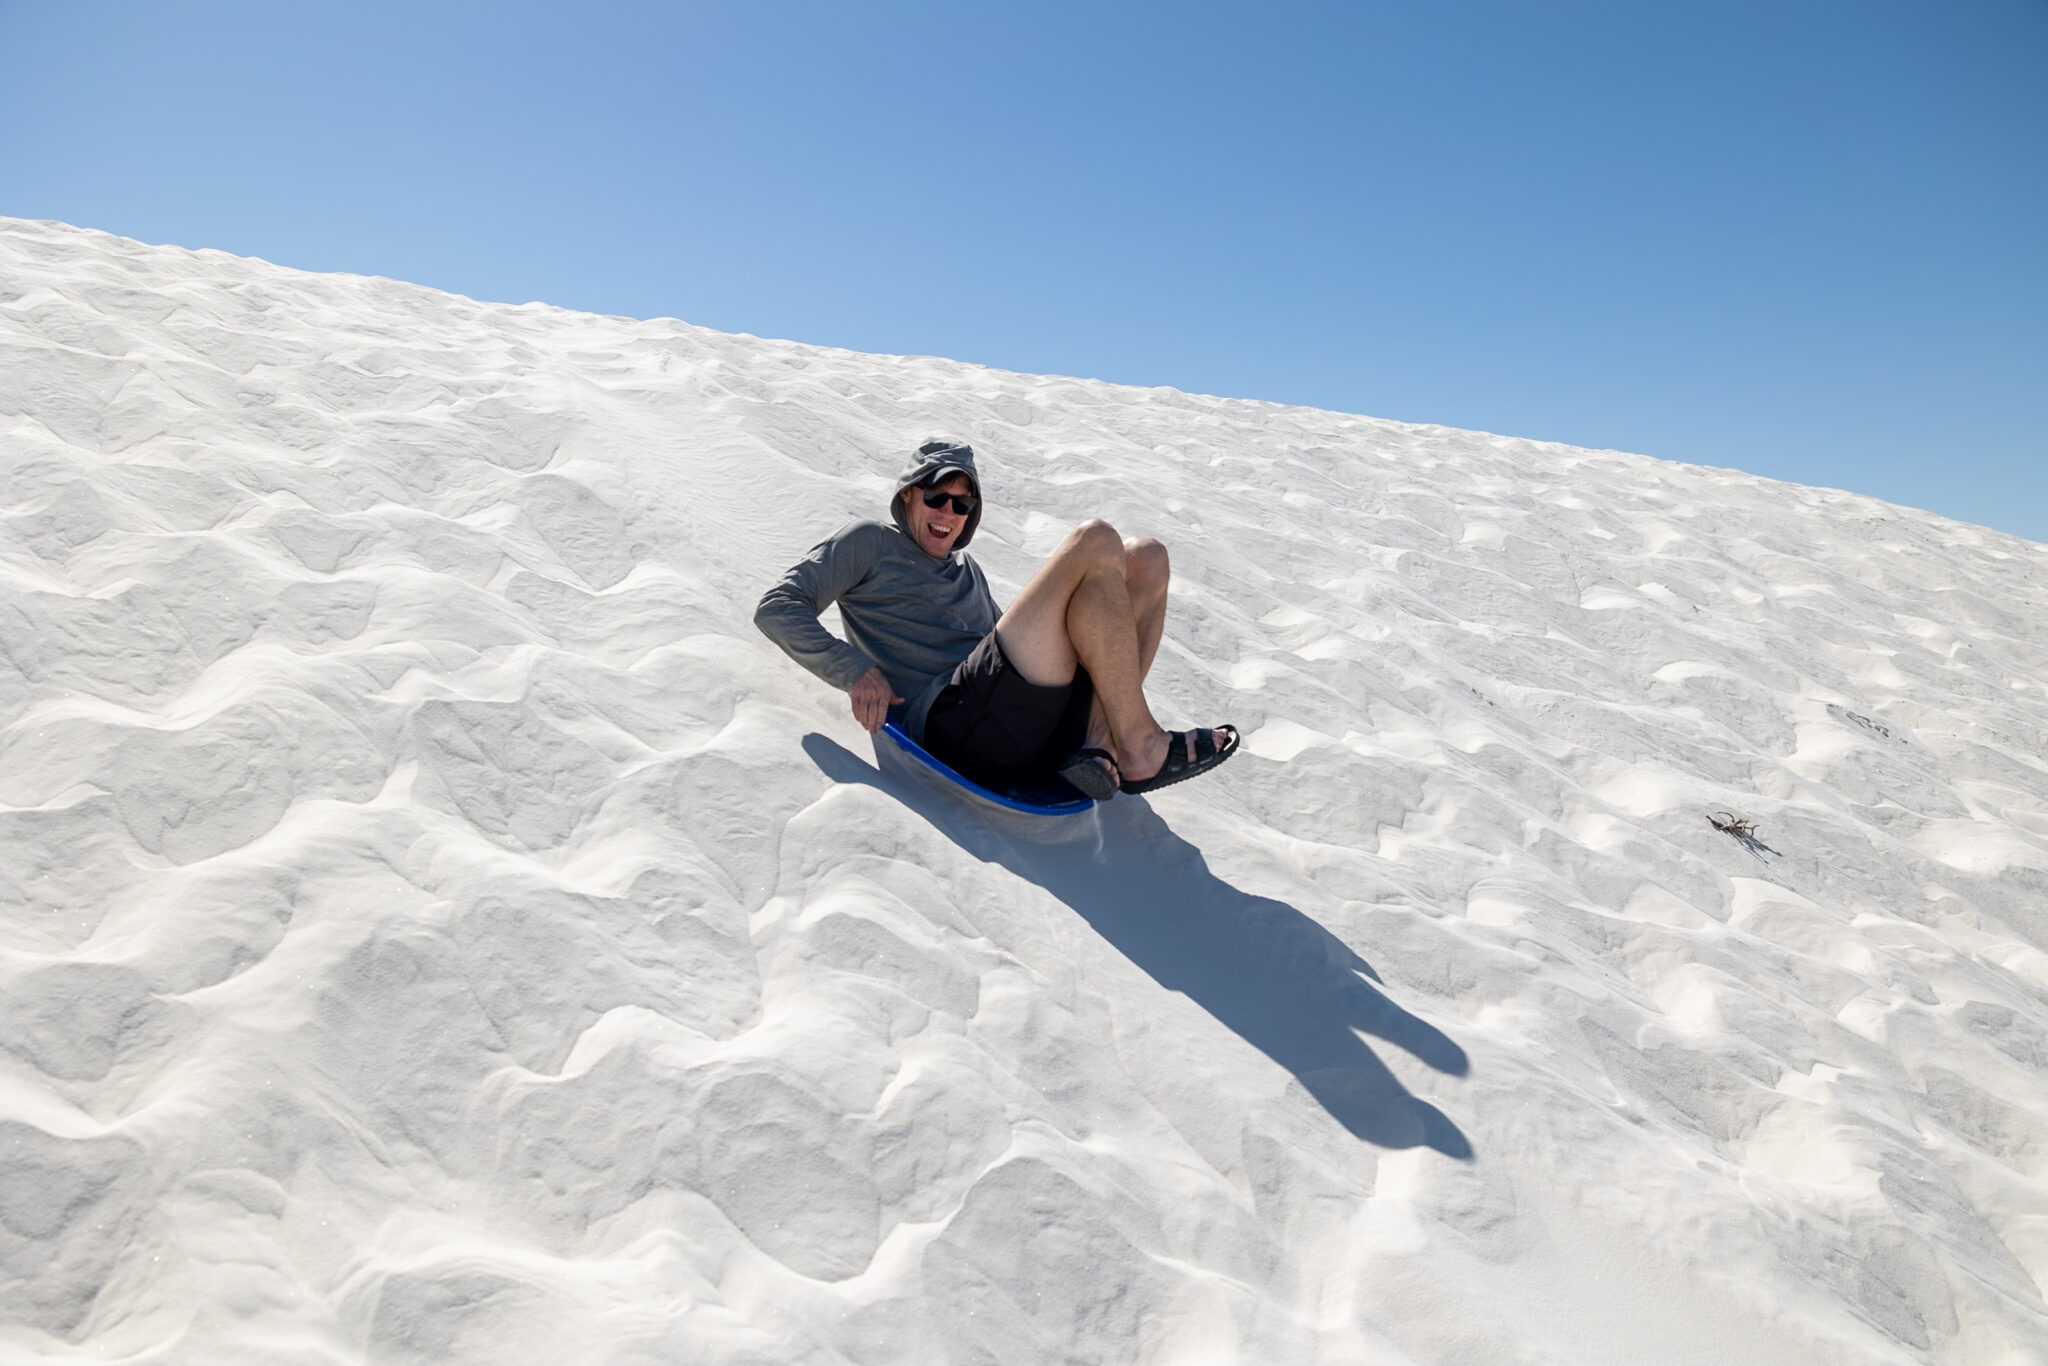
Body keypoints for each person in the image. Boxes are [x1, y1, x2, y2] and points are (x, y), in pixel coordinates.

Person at [755, 440, 1238, 800]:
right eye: (936, 497)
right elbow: (778, 607)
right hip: (956, 723)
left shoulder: (969, 572)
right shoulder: (869, 542)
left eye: (962, 504)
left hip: (1021, 722)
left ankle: (1100, 740)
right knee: (1094, 538)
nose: (948, 512)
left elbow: (1019, 649)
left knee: (1148, 556)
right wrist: (853, 669)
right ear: (907, 497)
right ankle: (1139, 745)